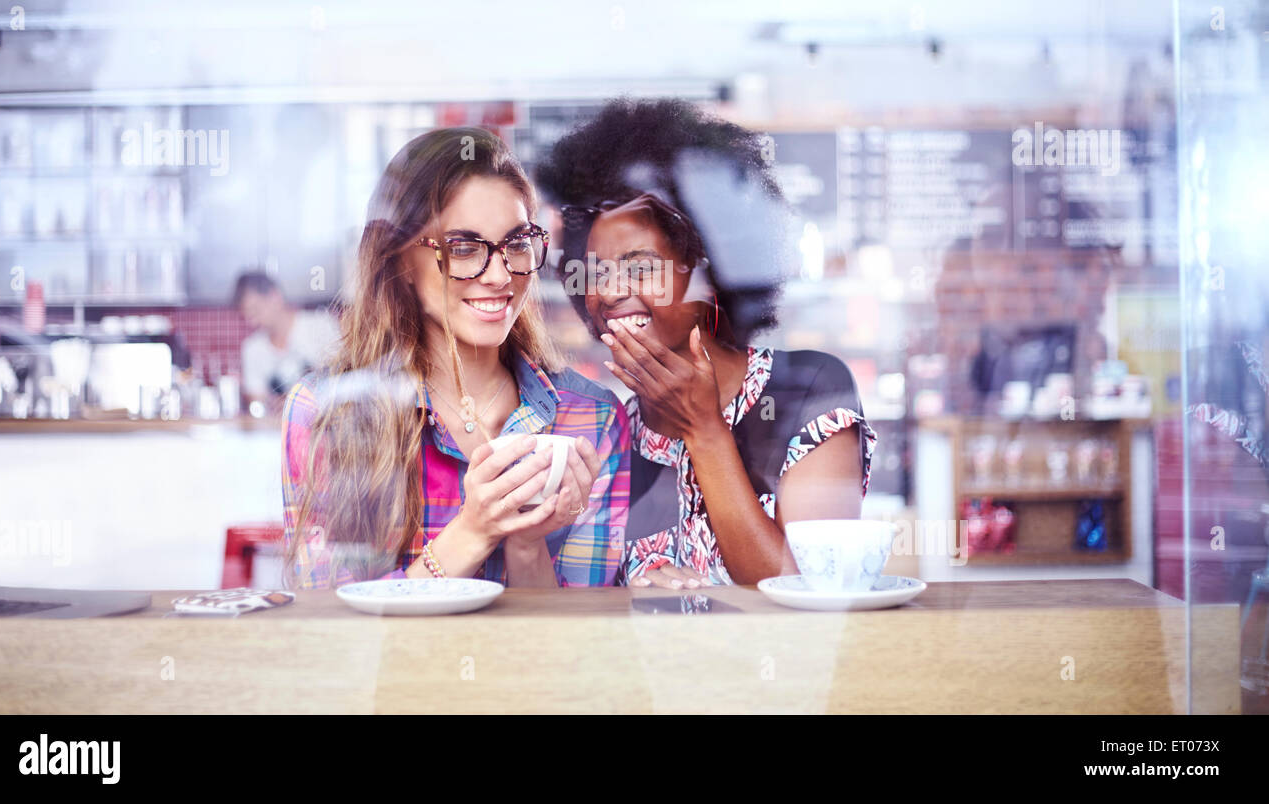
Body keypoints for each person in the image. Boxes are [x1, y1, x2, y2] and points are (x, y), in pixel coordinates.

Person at [536, 98, 875, 588]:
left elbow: (810, 593)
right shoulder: (612, 432)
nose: (608, 292)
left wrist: (704, 429)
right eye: (595, 271)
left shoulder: (808, 390)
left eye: (639, 267)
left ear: (709, 271)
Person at [280, 127, 630, 590]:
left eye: (517, 243)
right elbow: (329, 627)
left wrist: (526, 544)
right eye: (463, 248)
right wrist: (473, 532)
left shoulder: (592, 419)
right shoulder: (324, 412)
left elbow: (580, 647)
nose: (500, 274)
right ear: (400, 258)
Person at [235, 272, 341, 414]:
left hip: (323, 427)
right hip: (276, 430)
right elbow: (256, 400)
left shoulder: (321, 326)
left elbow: (343, 380)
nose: (252, 321)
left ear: (275, 297)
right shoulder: (252, 348)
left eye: (256, 310)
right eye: (247, 315)